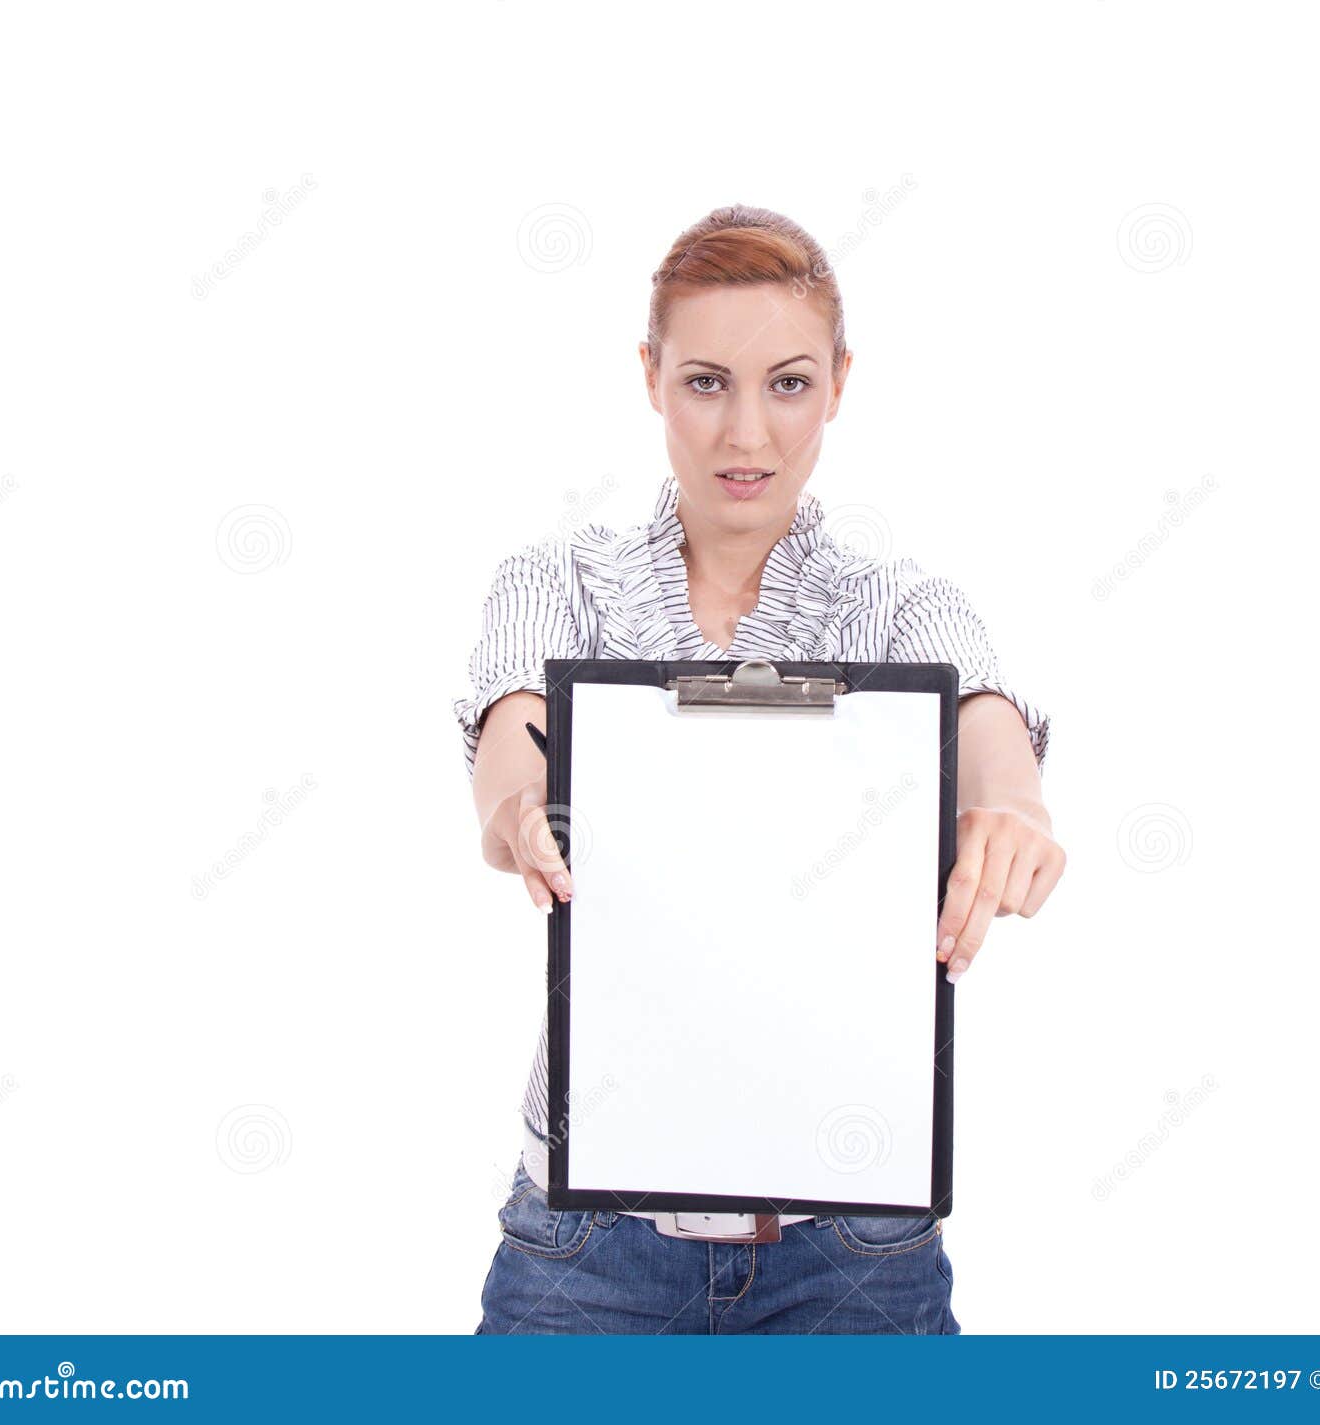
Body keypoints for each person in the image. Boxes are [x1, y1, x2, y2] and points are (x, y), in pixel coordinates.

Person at [454, 204, 1064, 1334]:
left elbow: (984, 717)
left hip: (851, 1254)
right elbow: (511, 726)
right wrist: (514, 800)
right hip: (591, 1248)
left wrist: (1012, 805)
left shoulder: (896, 606)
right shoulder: (562, 584)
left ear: (837, 384)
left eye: (786, 384)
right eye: (704, 383)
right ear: (649, 377)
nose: (746, 433)